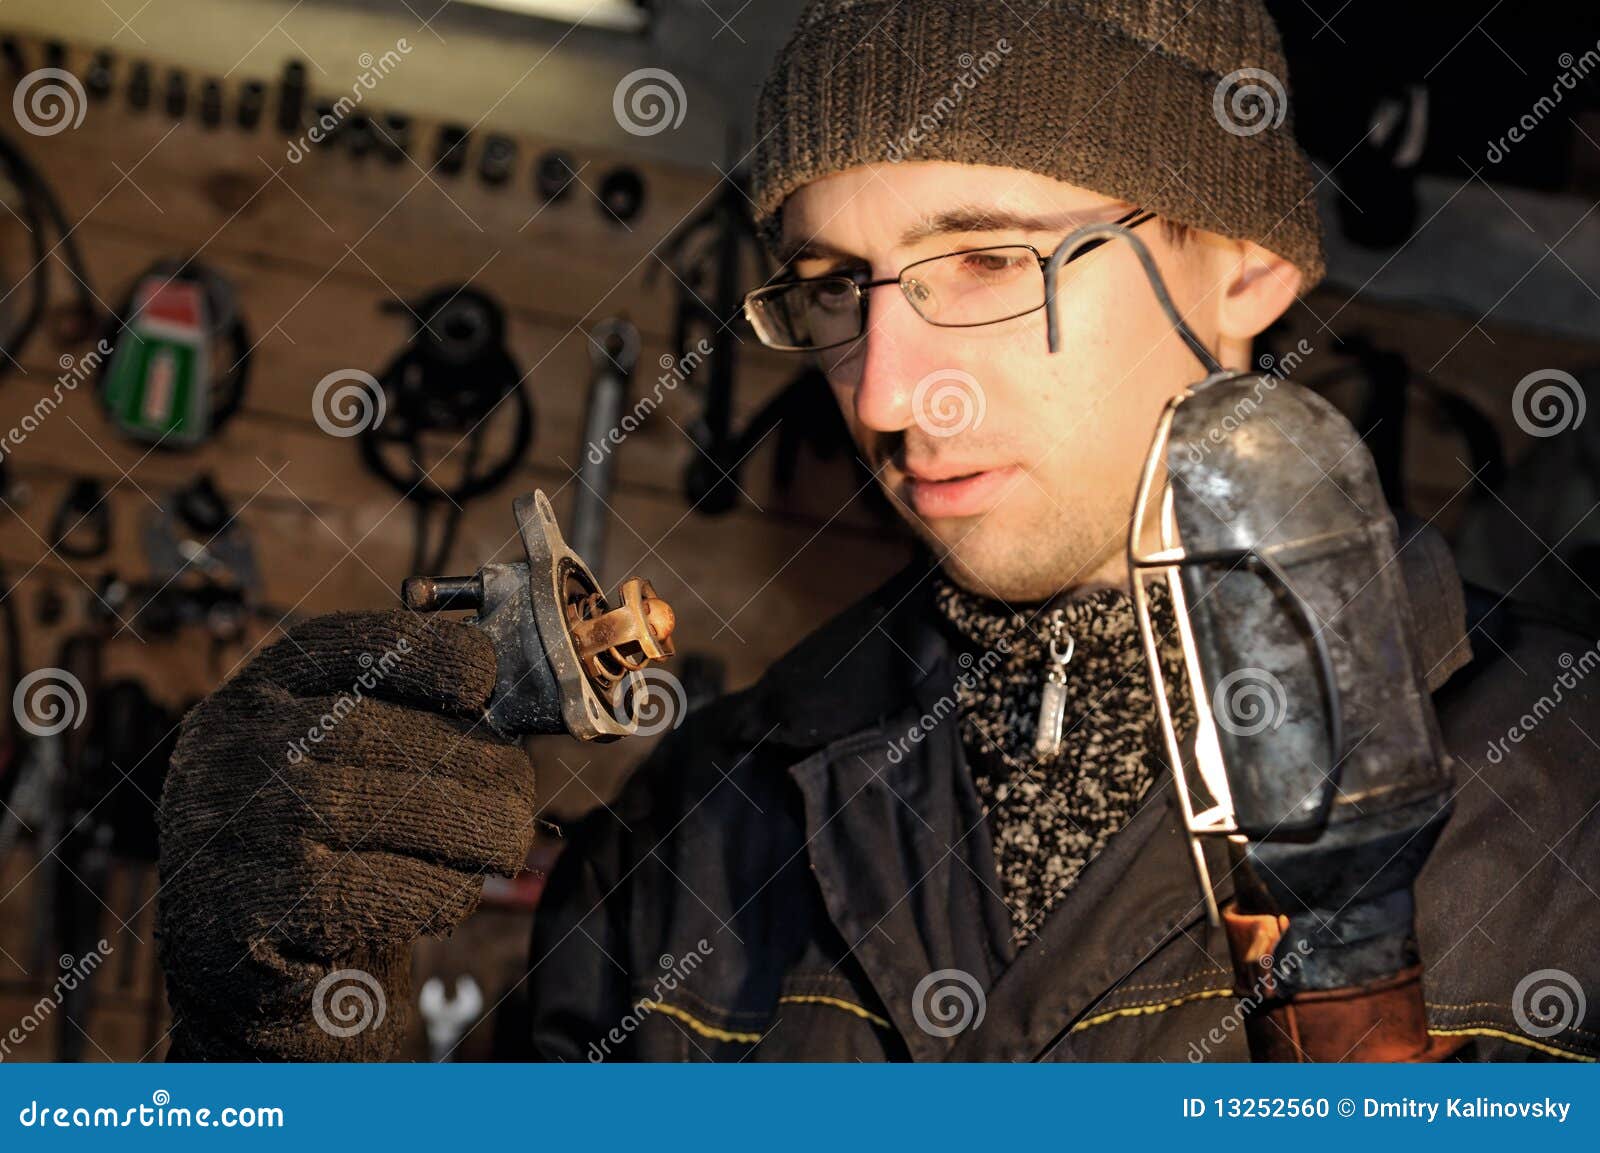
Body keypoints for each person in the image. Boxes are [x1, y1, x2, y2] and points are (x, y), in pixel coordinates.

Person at [157, 0, 1600, 1061]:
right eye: (838, 286)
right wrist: (259, 1025)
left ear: (1246, 265)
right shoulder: (703, 828)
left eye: (987, 258)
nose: (893, 391)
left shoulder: (1569, 807)